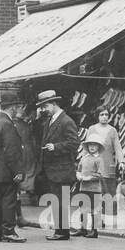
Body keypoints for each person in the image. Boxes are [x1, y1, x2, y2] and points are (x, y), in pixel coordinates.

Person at [32, 90, 79, 241]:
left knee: (61, 201)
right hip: (54, 170)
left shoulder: (66, 121)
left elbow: (74, 143)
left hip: (62, 170)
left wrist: (56, 147)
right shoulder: (50, 120)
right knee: (57, 201)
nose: (43, 110)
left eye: (45, 106)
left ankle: (62, 232)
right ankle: (60, 230)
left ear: (53, 104)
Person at [0, 90, 27, 243]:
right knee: (9, 201)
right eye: (17, 106)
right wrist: (18, 171)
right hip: (8, 171)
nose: (19, 110)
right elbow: (11, 151)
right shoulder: (8, 124)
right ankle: (9, 231)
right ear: (12, 107)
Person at [84, 108, 125, 188]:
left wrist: (121, 162)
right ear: (97, 116)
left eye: (106, 115)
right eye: (102, 115)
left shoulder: (113, 130)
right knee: (94, 192)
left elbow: (117, 147)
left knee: (108, 192)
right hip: (94, 165)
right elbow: (86, 148)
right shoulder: (92, 129)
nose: (104, 117)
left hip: (108, 164)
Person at [74, 138, 107, 237]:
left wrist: (88, 178)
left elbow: (100, 174)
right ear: (87, 147)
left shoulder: (99, 159)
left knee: (94, 210)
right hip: (83, 188)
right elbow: (78, 170)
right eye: (90, 145)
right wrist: (78, 176)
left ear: (98, 147)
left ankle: (94, 231)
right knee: (83, 209)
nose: (92, 147)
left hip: (94, 189)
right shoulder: (84, 158)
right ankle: (83, 229)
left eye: (95, 145)